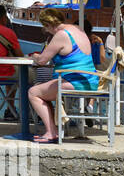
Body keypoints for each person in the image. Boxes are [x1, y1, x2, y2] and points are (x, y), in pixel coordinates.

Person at [28, 9, 97, 143]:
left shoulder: (61, 35)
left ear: (48, 24)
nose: (47, 31)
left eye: (45, 28)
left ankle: (51, 133)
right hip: (89, 80)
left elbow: (42, 60)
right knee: (42, 90)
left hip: (75, 82)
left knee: (33, 92)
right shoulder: (77, 29)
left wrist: (34, 56)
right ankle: (52, 131)